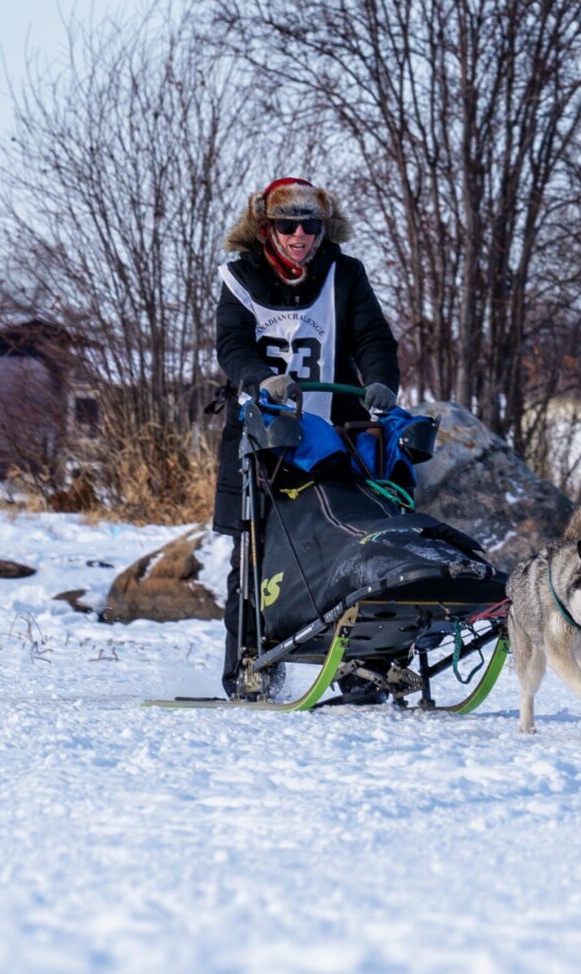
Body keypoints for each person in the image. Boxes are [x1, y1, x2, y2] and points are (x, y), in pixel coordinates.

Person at [213, 177, 399, 699]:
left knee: (357, 541)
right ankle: (251, 671)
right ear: (265, 229)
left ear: (324, 229)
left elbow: (372, 336)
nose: (300, 236)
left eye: (311, 226)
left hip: (335, 431)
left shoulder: (345, 273)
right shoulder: (239, 277)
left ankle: (362, 667)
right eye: (287, 226)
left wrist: (381, 380)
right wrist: (259, 379)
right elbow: (232, 345)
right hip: (261, 437)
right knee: (252, 554)